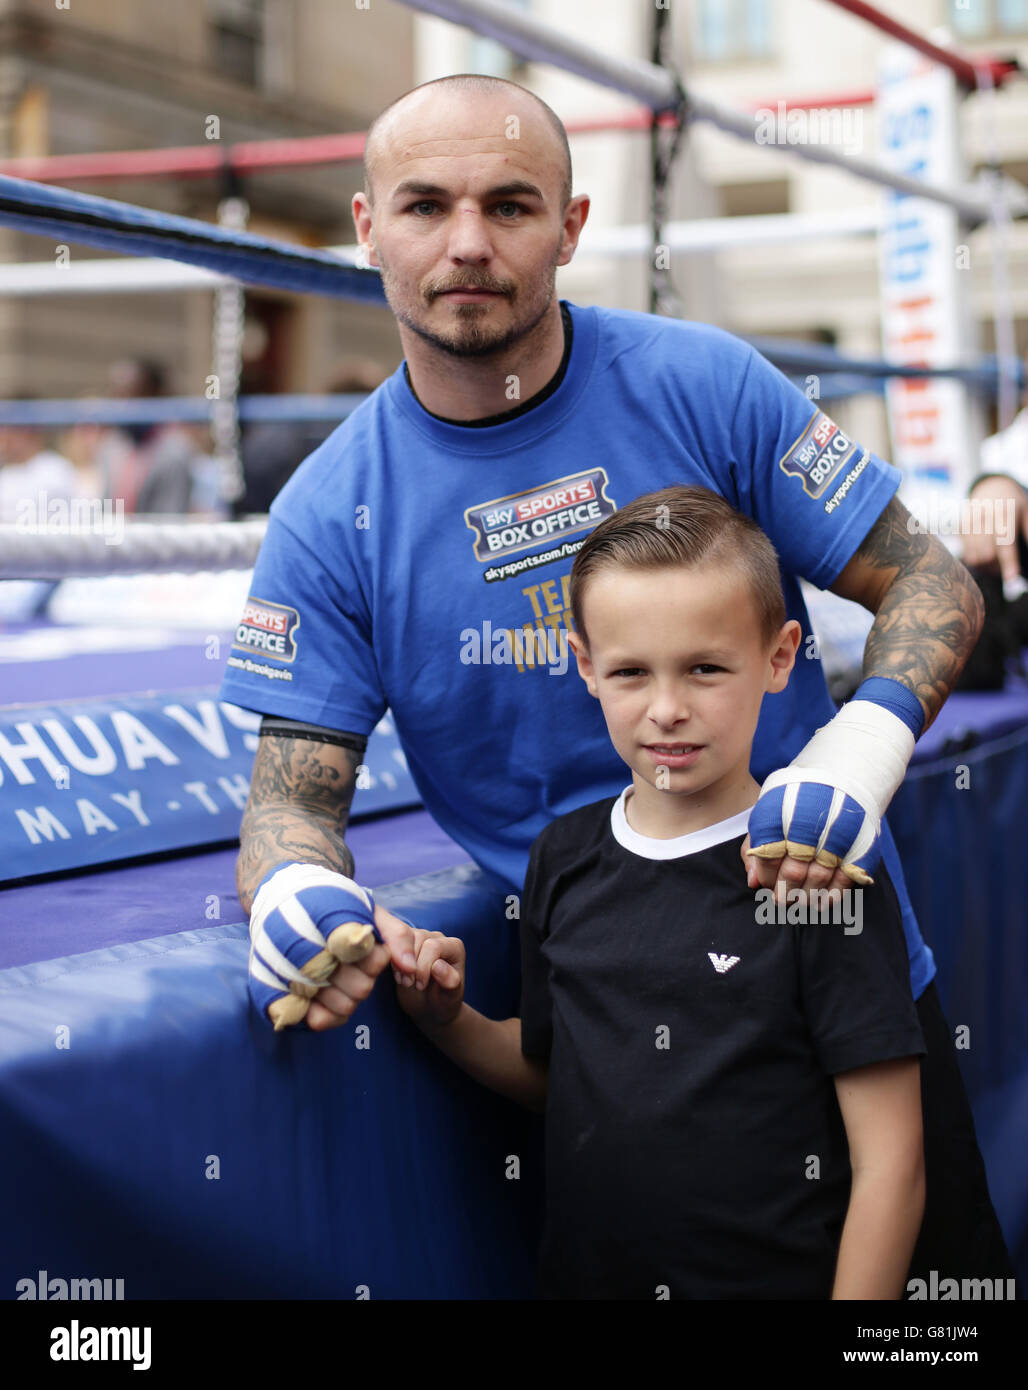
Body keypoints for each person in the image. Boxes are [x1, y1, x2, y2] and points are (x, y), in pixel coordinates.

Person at [220, 73, 1014, 1285]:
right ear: (367, 228)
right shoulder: (331, 516)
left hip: (814, 923)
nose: (469, 244)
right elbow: (291, 798)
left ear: (573, 227)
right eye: (426, 206)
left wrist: (855, 753)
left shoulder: (703, 383)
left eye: (511, 204)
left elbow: (933, 583)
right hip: (599, 1017)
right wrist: (296, 903)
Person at [393, 485, 927, 1299]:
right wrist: (447, 1020)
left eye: (705, 669)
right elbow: (555, 1076)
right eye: (632, 673)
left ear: (780, 658)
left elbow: (892, 1160)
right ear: (585, 667)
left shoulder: (812, 869)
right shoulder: (562, 859)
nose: (667, 710)